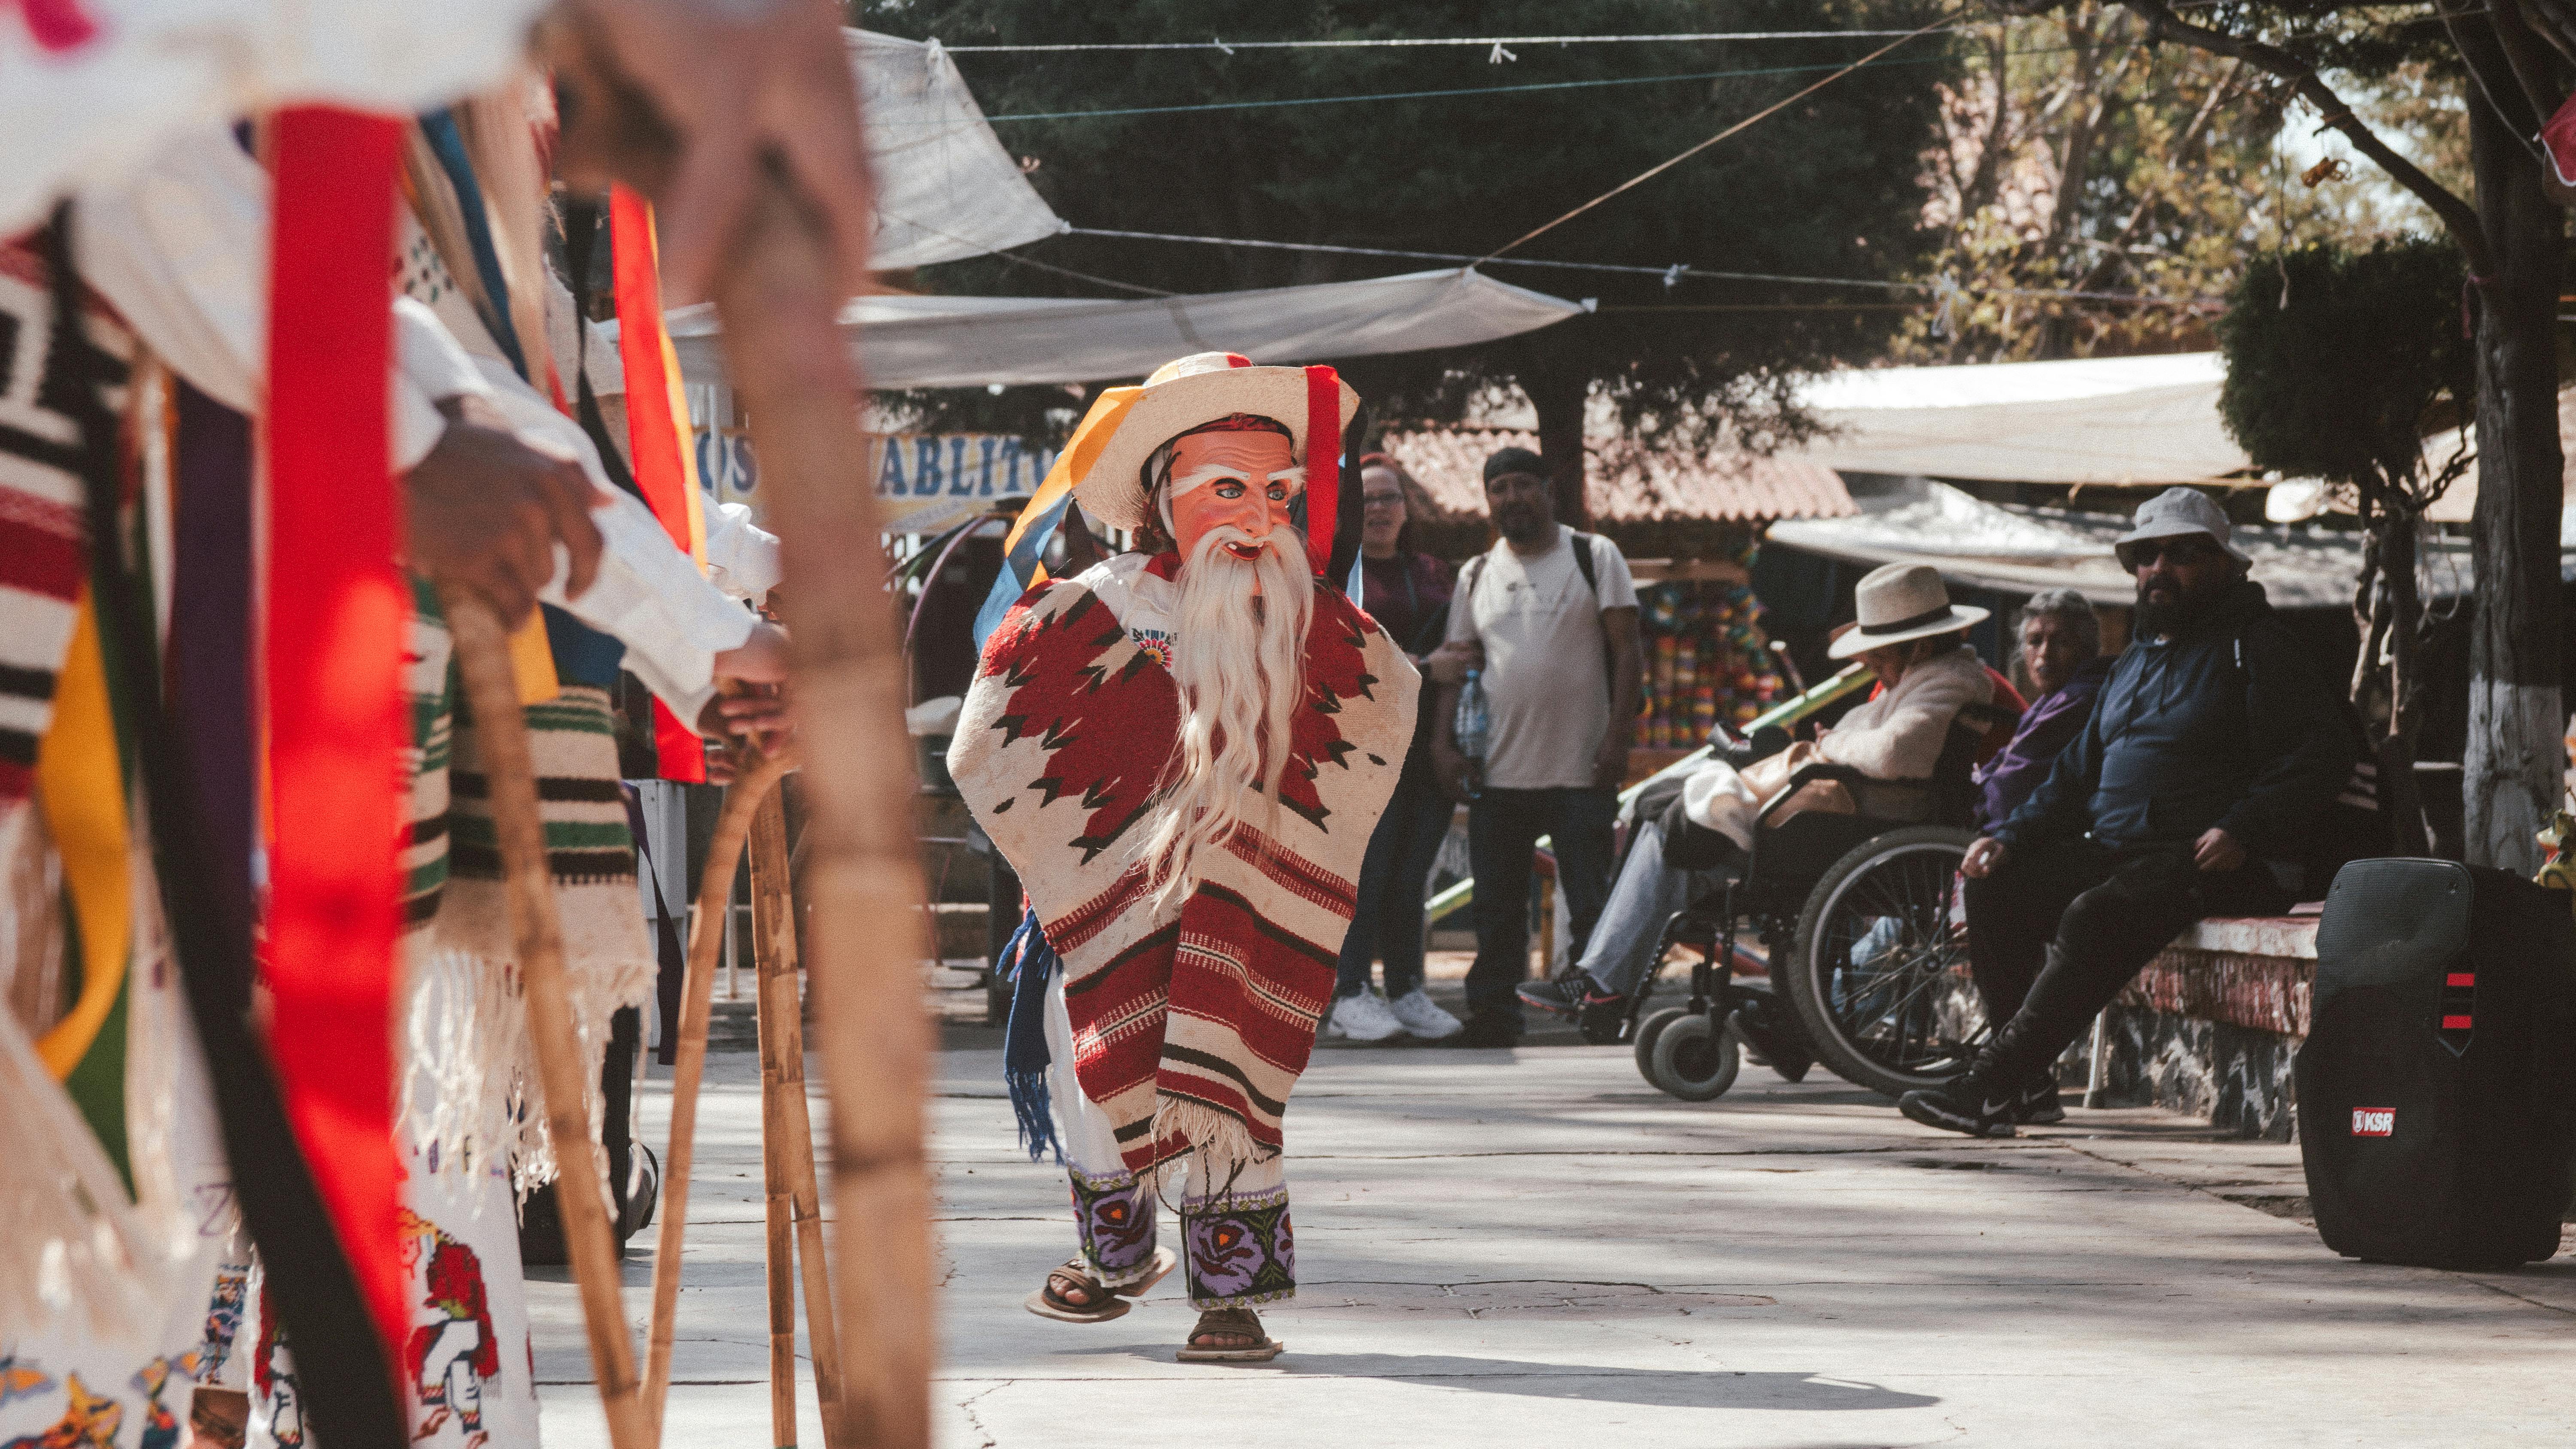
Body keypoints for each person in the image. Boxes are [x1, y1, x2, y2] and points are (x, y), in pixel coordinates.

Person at [948, 353, 1415, 1363]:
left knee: (1231, 1073)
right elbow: (992, 737)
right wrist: (1098, 835)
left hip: (1247, 898)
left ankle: (1231, 1297)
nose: (1258, 517)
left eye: (1278, 493)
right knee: (1090, 1066)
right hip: (1105, 896)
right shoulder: (1088, 605)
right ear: (1164, 496)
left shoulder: (1311, 619)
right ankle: (1116, 1254)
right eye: (1227, 488)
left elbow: (1376, 709)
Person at [1902, 488, 2356, 1137]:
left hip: (2217, 859)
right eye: (2146, 556)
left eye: (2181, 554)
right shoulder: (2134, 660)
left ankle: (1987, 1087)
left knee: (2096, 914)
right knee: (1995, 887)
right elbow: (2075, 771)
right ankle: (2026, 1088)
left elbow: (2323, 754)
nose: (2159, 569)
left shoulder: (2258, 645)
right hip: (2122, 851)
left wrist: (2245, 826)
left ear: (2222, 564)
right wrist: (2010, 836)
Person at [1521, 563, 2002, 1028]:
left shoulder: (1948, 681)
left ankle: (1603, 981)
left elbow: (1895, 753)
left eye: (1880, 657)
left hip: (1862, 822)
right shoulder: (1923, 680)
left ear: (1919, 647)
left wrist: (1831, 744)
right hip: (1849, 813)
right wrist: (1833, 744)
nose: (1873, 667)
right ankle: (1602, 981)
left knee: (1678, 824)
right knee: (1662, 811)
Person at [1429, 447, 1643, 1048]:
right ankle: (1495, 1018)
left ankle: (1602, 1013)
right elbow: (1459, 663)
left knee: (1591, 901)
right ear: (1487, 500)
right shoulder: (1477, 573)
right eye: (1499, 488)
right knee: (1497, 908)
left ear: (1549, 491)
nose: (1512, 498)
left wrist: (1618, 739)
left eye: (1524, 484)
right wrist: (1443, 746)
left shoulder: (1594, 555)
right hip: (1498, 773)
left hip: (1582, 768)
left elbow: (1629, 650)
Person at [1325, 457, 1466, 1043]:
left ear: (1408, 509)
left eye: (1390, 498)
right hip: (1362, 748)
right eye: (1368, 499)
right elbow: (1344, 655)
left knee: (1413, 876)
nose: (1379, 509)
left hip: (1429, 747)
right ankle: (1351, 992)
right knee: (1368, 871)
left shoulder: (1434, 572)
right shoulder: (1336, 575)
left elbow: (1463, 650)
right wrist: (1426, 667)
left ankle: (1407, 989)